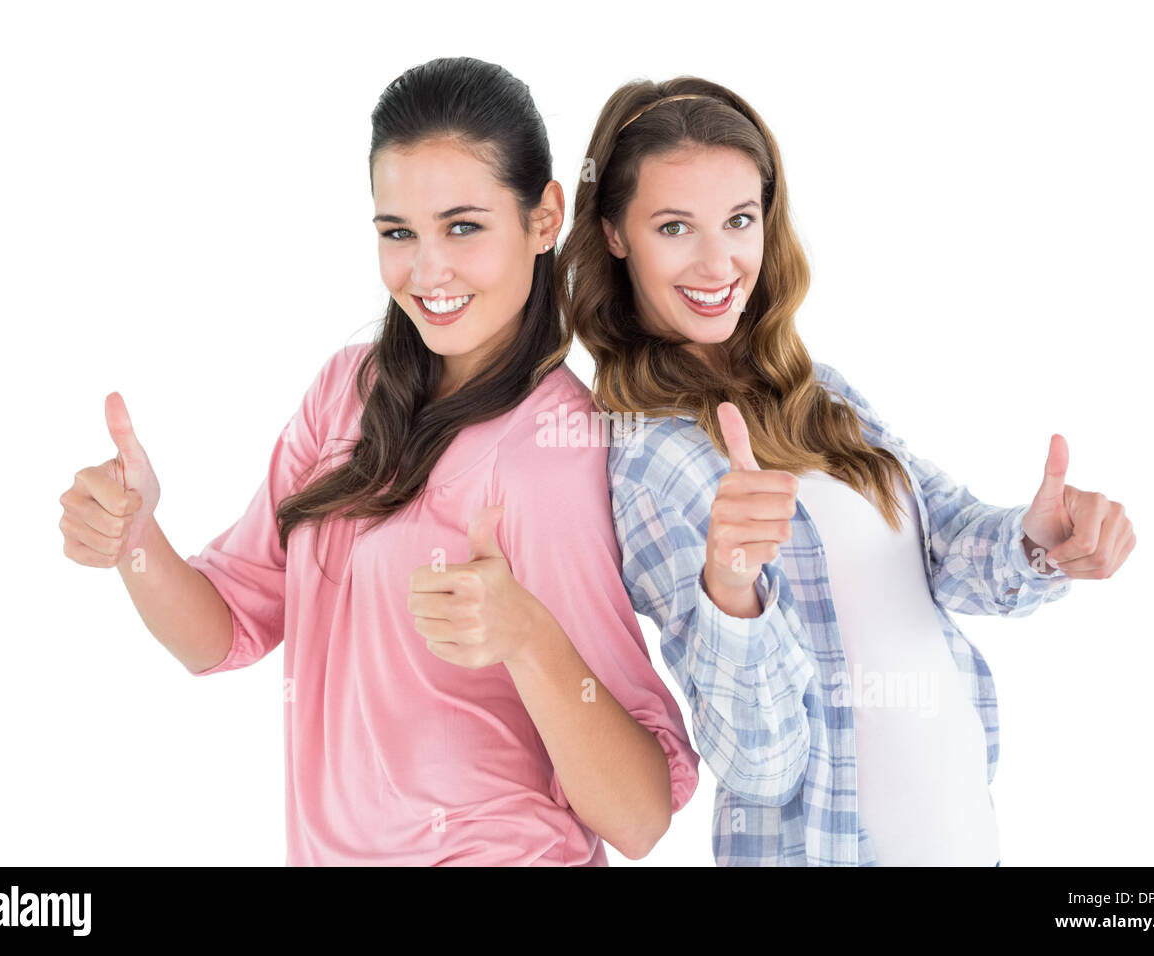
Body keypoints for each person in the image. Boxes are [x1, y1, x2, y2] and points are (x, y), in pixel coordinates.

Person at [58, 57, 699, 866]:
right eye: (399, 233)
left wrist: (526, 636)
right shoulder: (346, 393)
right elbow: (221, 630)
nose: (427, 272)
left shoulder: (549, 453)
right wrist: (137, 540)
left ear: (544, 220)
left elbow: (639, 817)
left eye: (463, 227)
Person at [557, 77, 1134, 866]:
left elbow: (945, 551)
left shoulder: (818, 392)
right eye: (673, 227)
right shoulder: (648, 460)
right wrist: (732, 591)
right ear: (616, 235)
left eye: (738, 220)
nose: (718, 259)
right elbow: (760, 764)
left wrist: (1040, 538)